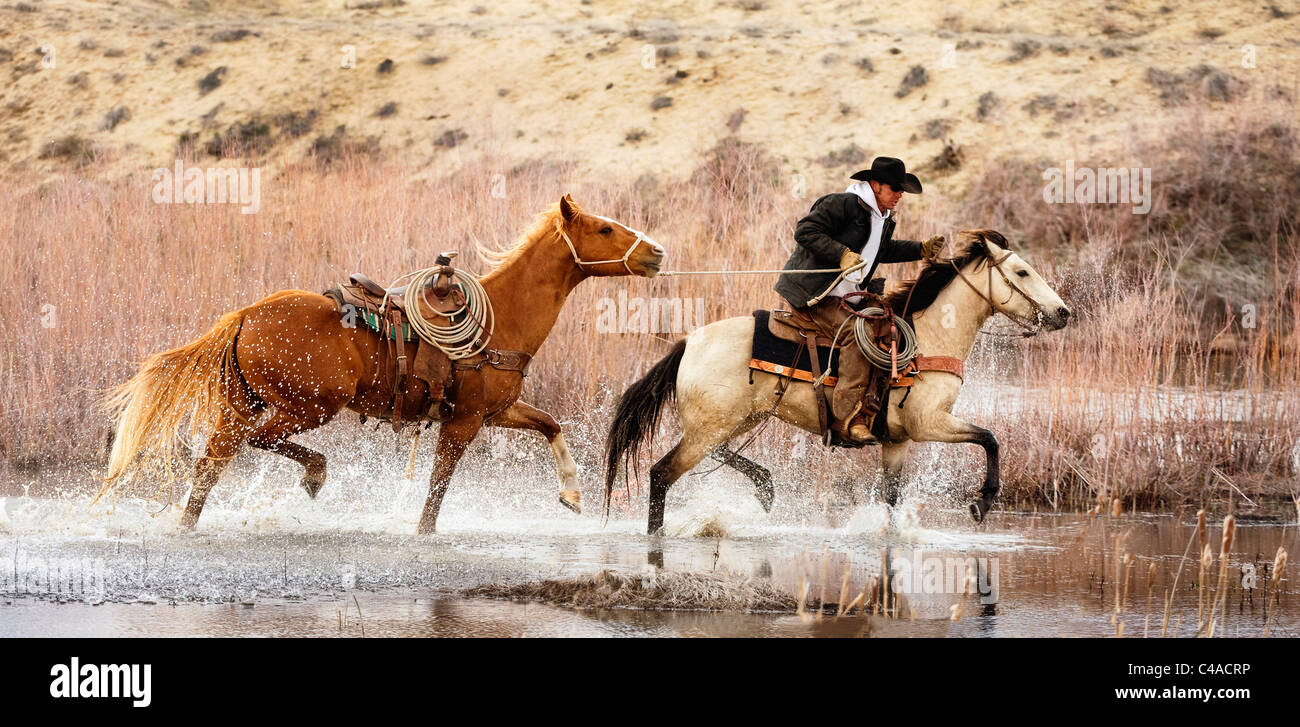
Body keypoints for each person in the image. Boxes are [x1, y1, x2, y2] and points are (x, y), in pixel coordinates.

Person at [774, 157, 945, 444]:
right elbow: (805, 231)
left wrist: (920, 249)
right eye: (895, 188)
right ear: (875, 185)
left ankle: (874, 410)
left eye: (902, 190)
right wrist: (840, 253)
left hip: (845, 295)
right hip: (815, 294)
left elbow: (882, 250)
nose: (900, 194)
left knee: (886, 326)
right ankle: (846, 420)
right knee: (859, 333)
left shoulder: (883, 216)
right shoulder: (841, 204)